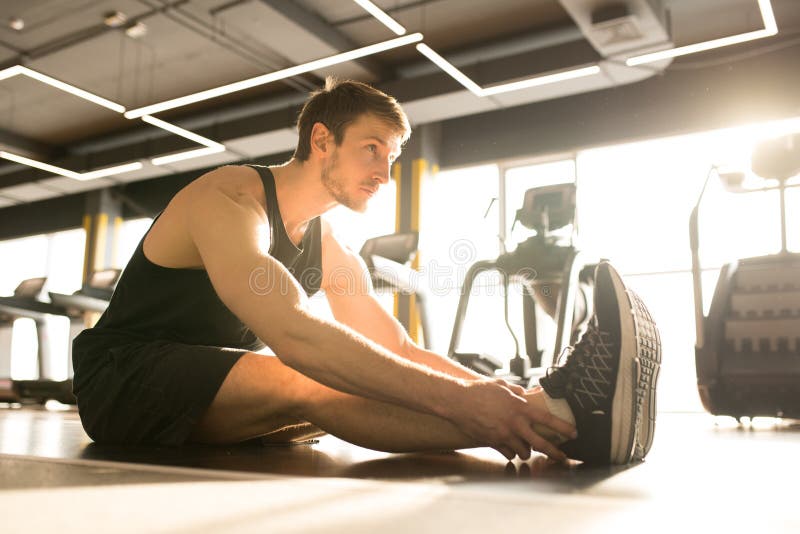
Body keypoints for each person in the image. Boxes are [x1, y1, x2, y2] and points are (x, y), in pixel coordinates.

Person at [72, 77, 661, 465]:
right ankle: (559, 419)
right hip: (123, 382)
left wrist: (485, 391)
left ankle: (556, 417)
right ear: (321, 140)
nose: (385, 171)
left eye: (394, 157)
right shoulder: (229, 201)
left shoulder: (326, 244)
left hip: (210, 389)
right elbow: (297, 334)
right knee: (310, 376)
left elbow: (395, 345)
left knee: (345, 376)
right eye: (372, 149)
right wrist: (466, 404)